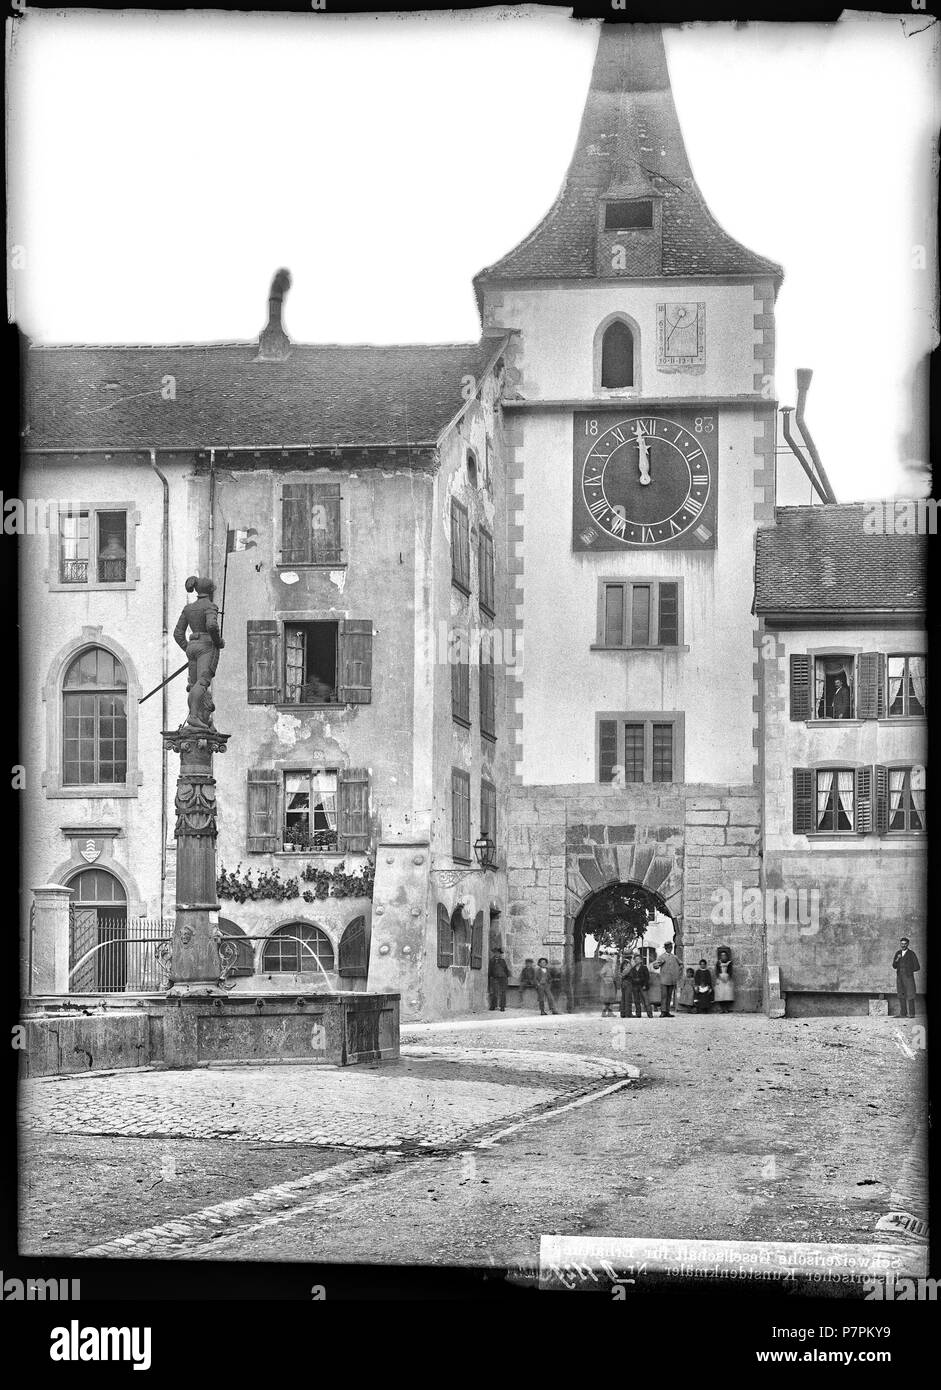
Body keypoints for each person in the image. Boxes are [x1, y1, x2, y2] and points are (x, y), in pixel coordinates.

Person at [892, 937, 921, 1018]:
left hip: (908, 977)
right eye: (902, 944)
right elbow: (894, 966)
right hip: (899, 977)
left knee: (910, 994)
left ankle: (912, 1014)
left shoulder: (911, 954)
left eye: (905, 944)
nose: (903, 945)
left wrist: (908, 969)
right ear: (900, 944)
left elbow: (917, 967)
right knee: (901, 994)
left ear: (908, 944)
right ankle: (903, 1014)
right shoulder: (898, 953)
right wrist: (897, 959)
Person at [653, 941, 683, 1018]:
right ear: (665, 948)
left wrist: (678, 972)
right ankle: (663, 1011)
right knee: (664, 996)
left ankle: (667, 1011)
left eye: (670, 947)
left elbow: (681, 964)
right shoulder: (662, 956)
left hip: (672, 979)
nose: (669, 949)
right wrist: (659, 964)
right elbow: (655, 965)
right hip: (664, 979)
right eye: (668, 948)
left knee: (669, 996)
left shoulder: (674, 957)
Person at [620, 952, 652, 1019]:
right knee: (636, 1001)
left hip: (643, 986)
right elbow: (630, 977)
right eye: (635, 959)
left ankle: (649, 1014)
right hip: (635, 986)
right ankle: (638, 1014)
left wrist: (645, 985)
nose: (635, 960)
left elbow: (647, 977)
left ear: (641, 960)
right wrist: (634, 980)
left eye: (637, 959)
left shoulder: (644, 967)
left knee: (646, 1000)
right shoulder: (633, 968)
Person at [488, 946, 510, 1012]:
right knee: (494, 992)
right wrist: (490, 976)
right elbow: (490, 970)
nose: (496, 954)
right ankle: (493, 1006)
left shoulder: (502, 961)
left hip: (503, 978)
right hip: (495, 978)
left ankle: (502, 1006)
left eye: (498, 953)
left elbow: (506, 969)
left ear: (500, 954)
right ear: (494, 953)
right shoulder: (491, 961)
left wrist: (506, 976)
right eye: (495, 953)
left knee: (503, 992)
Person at [714, 947, 735, 1013]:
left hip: (727, 978)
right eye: (722, 955)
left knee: (727, 994)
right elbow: (716, 971)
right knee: (720, 994)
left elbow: (731, 971)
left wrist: (728, 978)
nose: (723, 957)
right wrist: (719, 977)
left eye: (724, 955)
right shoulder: (718, 963)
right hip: (720, 979)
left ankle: (726, 1008)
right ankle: (721, 1008)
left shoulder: (729, 963)